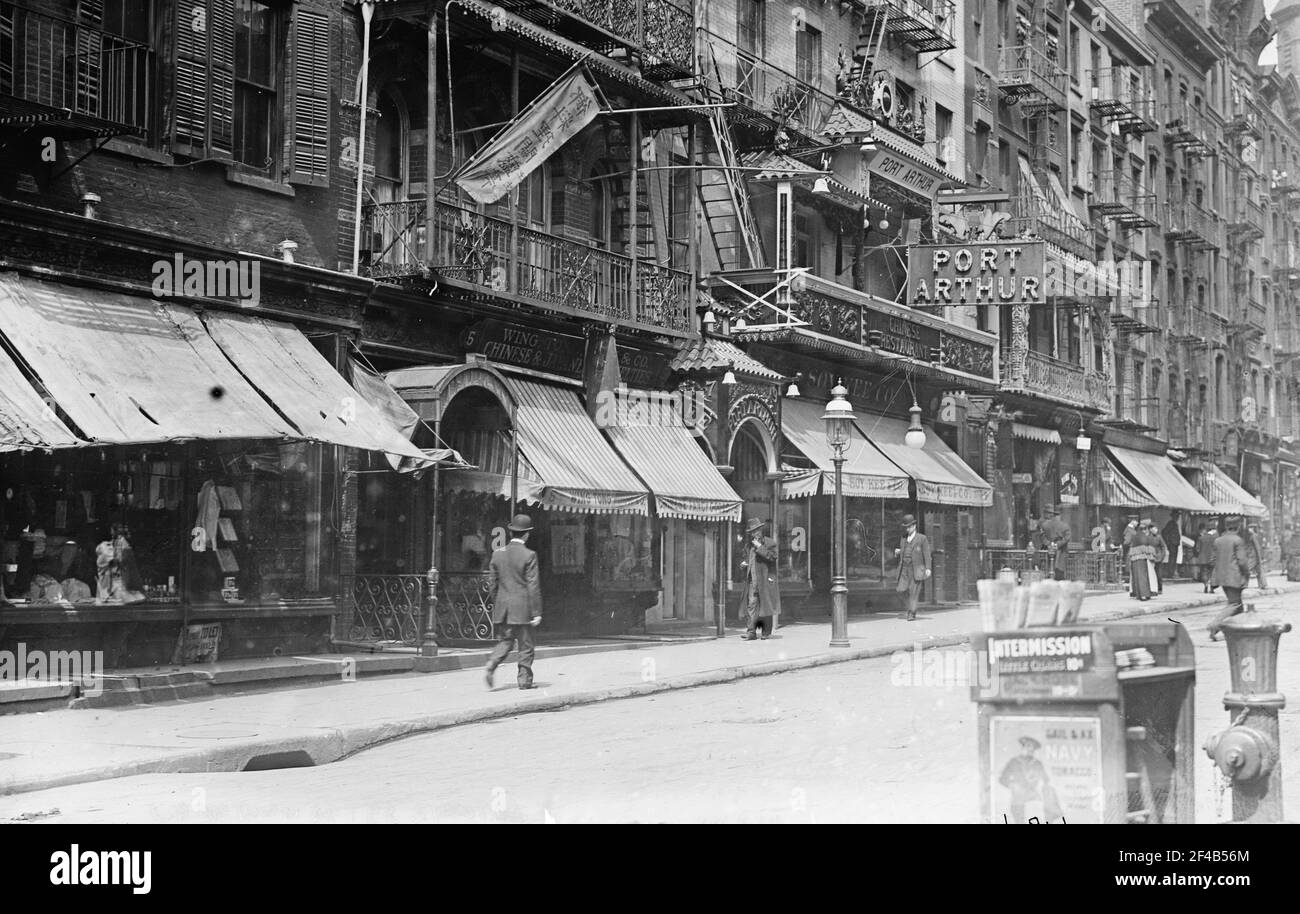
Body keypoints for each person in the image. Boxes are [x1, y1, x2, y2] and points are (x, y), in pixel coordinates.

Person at [484, 514, 543, 690]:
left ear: (511, 533)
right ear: (526, 534)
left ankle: (492, 663)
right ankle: (524, 681)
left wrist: (499, 603)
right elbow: (533, 585)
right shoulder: (529, 555)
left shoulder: (497, 554)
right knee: (526, 645)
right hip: (523, 608)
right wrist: (537, 612)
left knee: (506, 641)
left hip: (504, 607)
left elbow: (492, 584)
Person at [999, 736, 1063, 824]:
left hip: (1034, 799)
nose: (1030, 749)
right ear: (1023, 747)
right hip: (1018, 800)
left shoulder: (1037, 764)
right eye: (1028, 746)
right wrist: (1012, 785)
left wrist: (1040, 785)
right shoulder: (1013, 762)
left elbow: (1046, 780)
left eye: (1033, 748)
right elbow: (1002, 779)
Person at [1208, 517, 1251, 642]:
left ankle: (1240, 629)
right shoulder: (1238, 540)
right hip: (1234, 576)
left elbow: (1212, 560)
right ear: (1237, 527)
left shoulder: (1218, 540)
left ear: (1226, 527)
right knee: (1234, 604)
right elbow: (1242, 561)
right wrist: (1246, 574)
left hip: (1222, 577)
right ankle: (1214, 625)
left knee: (1238, 605)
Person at [739, 517, 780, 640]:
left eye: (756, 530)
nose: (754, 533)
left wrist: (759, 547)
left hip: (765, 580)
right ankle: (751, 632)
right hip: (752, 580)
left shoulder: (769, 542)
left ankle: (766, 633)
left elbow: (773, 557)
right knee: (752, 605)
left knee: (765, 605)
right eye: (752, 531)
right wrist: (744, 564)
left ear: (761, 529)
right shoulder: (748, 546)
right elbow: (749, 560)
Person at [895, 514, 932, 622]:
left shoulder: (922, 538)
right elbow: (904, 550)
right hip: (904, 569)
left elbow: (926, 553)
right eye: (905, 527)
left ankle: (912, 613)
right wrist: (899, 551)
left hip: (916, 569)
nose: (907, 529)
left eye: (909, 526)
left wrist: (928, 568)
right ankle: (910, 608)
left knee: (913, 592)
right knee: (901, 590)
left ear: (914, 526)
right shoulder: (903, 538)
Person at [1128, 519, 1157, 601]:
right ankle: (1144, 594)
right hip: (1143, 558)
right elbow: (1148, 545)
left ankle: (1139, 593)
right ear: (1146, 529)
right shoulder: (1144, 537)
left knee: (1137, 576)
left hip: (1135, 558)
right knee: (1143, 576)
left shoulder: (1136, 535)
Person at [1041, 506, 1071, 581]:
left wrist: (1049, 544)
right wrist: (1057, 544)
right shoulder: (1065, 526)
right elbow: (1067, 538)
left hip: (1048, 549)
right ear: (1060, 514)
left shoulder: (1045, 525)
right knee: (1059, 569)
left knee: (1048, 568)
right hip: (1060, 550)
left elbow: (1042, 536)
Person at [1160, 512, 1183, 582]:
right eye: (1176, 516)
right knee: (1172, 559)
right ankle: (1171, 573)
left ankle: (1172, 573)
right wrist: (1168, 542)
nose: (1177, 518)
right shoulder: (1171, 523)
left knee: (1173, 558)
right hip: (1172, 544)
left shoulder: (1174, 524)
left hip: (1175, 544)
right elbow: (1164, 532)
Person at [1196, 522, 1218, 593]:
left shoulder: (1201, 538)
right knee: (1212, 573)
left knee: (1204, 573)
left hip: (1203, 559)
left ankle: (1205, 585)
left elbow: (1197, 549)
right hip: (1212, 558)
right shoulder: (1215, 538)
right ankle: (1211, 588)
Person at [1149, 521, 1167, 594]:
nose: (1155, 530)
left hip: (1158, 557)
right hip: (1151, 557)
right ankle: (1152, 589)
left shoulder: (1159, 537)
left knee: (1158, 574)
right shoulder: (1148, 537)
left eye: (1156, 528)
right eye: (1153, 529)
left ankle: (1159, 588)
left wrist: (1162, 556)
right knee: (1151, 574)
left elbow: (1163, 547)